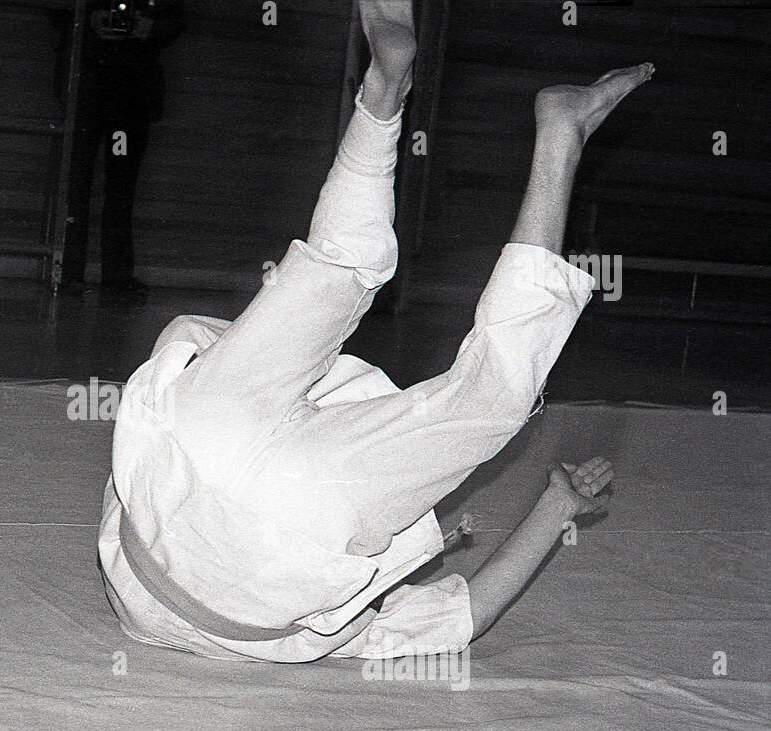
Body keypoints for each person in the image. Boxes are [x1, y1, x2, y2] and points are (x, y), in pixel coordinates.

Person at [96, 0, 651, 663]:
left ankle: (559, 138)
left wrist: (555, 507)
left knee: (487, 399)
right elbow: (461, 618)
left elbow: (464, 613)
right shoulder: (147, 533)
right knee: (332, 267)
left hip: (280, 518)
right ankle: (381, 98)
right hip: (191, 448)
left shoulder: (332, 603)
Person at [59, 0, 186, 299]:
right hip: (89, 89)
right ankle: (70, 272)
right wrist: (89, 21)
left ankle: (109, 275)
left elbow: (176, 19)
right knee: (80, 187)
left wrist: (150, 28)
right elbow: (58, 12)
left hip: (129, 95)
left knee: (117, 191)